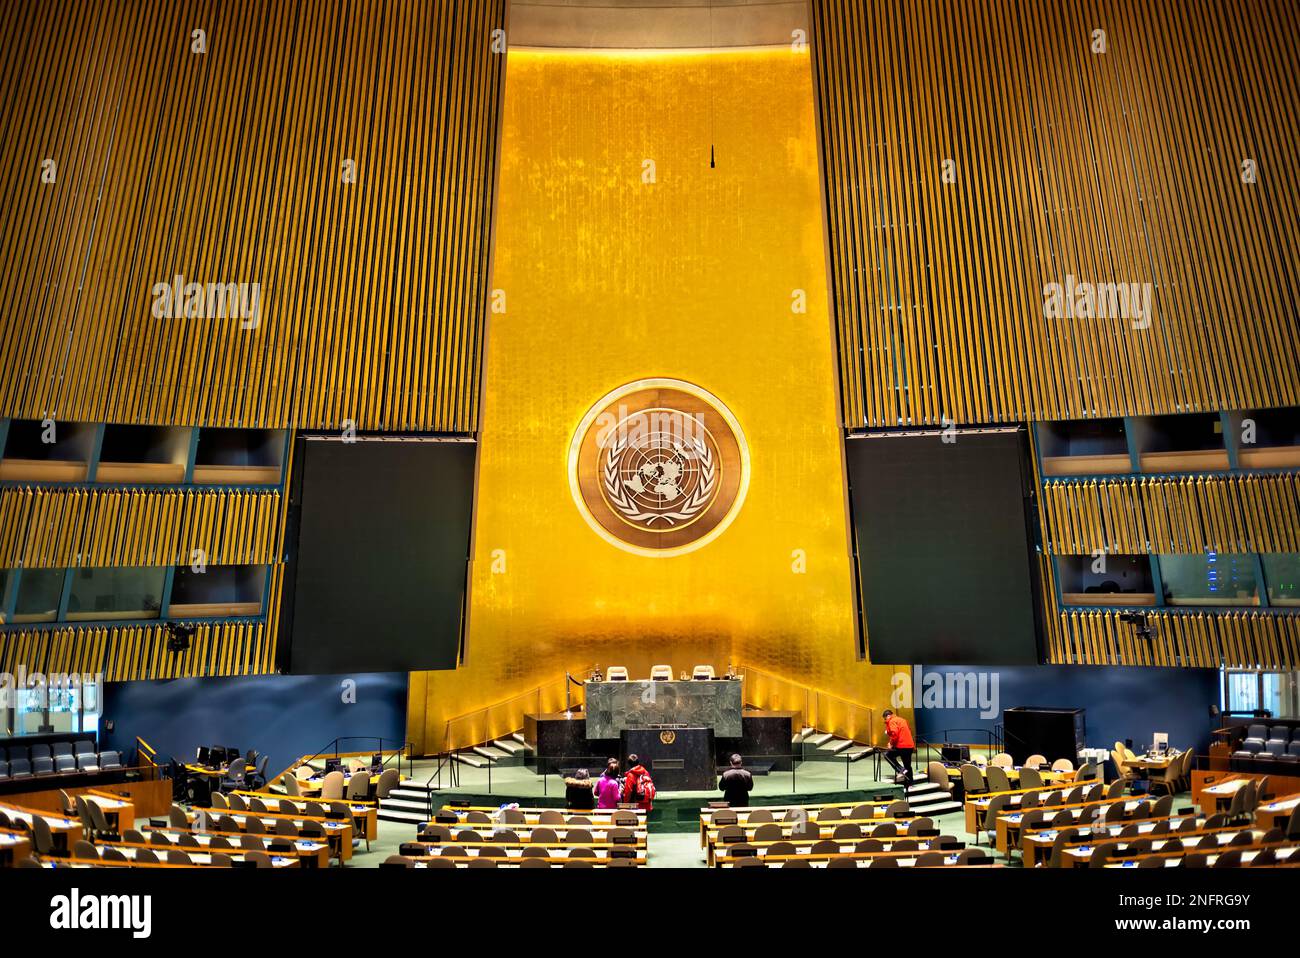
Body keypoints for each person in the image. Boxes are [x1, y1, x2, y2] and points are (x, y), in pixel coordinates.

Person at [881, 709, 915, 786]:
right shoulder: (902, 720)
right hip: (910, 745)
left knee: (887, 755)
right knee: (907, 765)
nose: (885, 720)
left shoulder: (892, 721)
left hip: (901, 746)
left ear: (888, 716)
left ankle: (900, 770)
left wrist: (890, 743)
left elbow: (895, 733)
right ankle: (910, 783)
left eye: (885, 719)